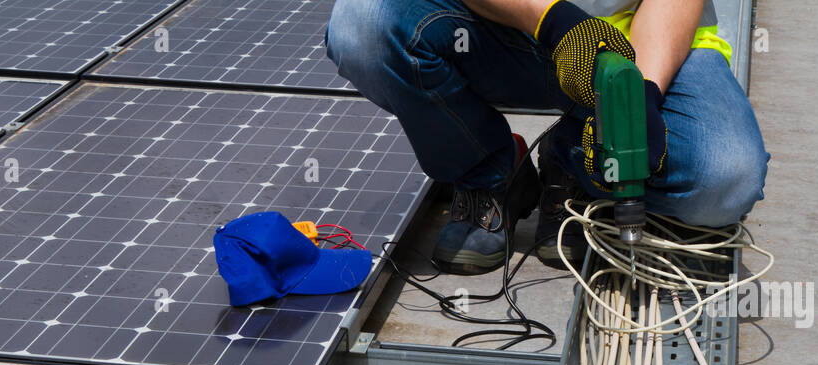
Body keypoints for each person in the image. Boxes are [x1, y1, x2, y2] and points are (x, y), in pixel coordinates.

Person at [325, 0, 768, 274]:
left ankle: (573, 158)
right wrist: (551, 18)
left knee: (724, 180)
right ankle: (489, 174)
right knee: (363, 22)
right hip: (506, 28)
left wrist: (642, 95)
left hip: (646, 38)